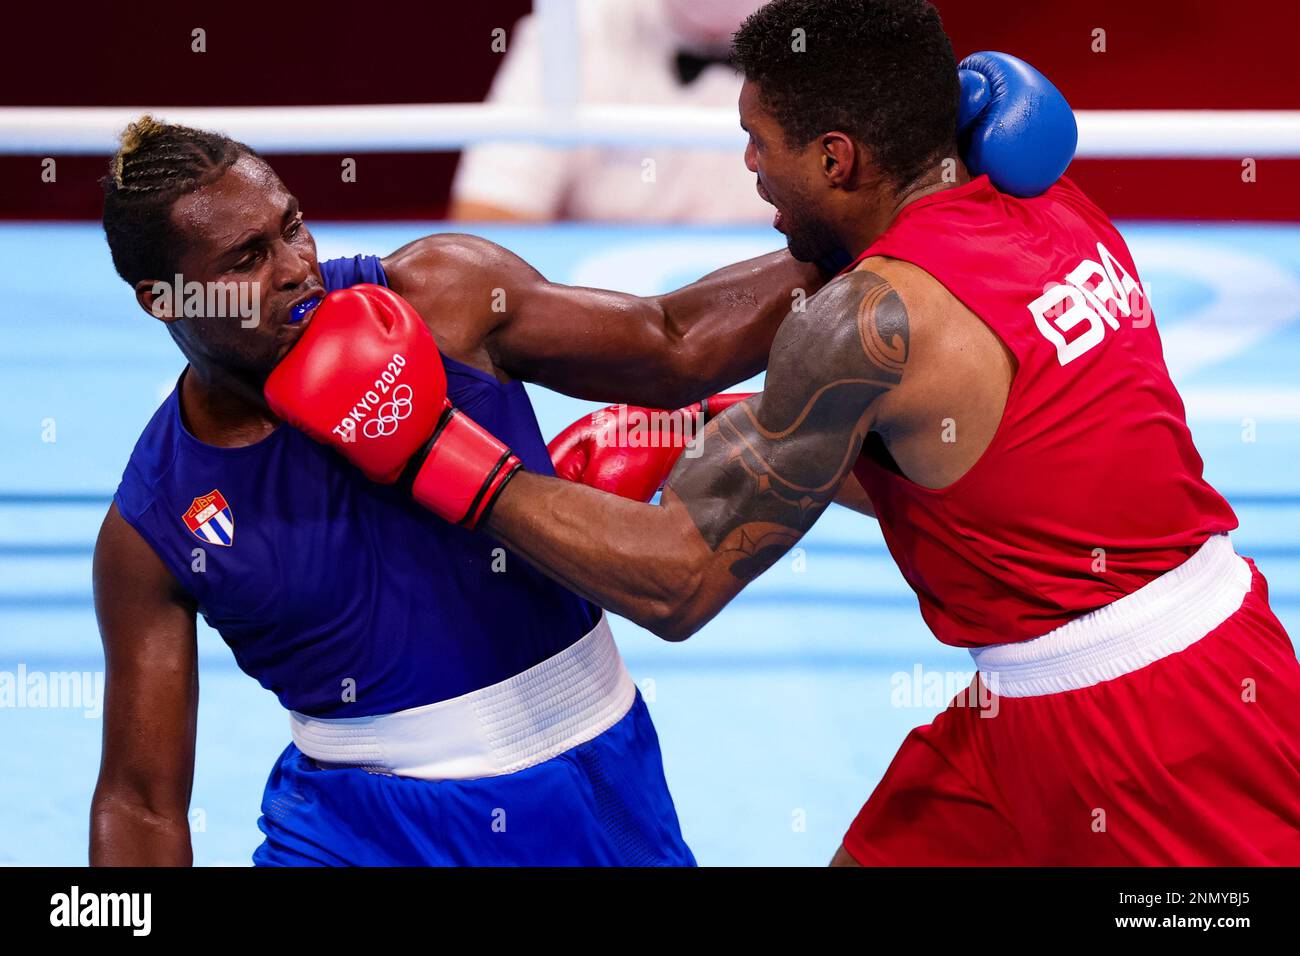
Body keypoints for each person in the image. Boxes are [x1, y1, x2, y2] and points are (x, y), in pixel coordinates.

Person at [271, 0, 1300, 865]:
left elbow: (677, 581)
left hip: (1163, 731)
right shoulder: (1039, 203)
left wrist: (430, 454)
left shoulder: (866, 319)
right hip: (1047, 697)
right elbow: (962, 466)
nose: (748, 167)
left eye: (758, 141)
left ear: (837, 157)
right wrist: (703, 424)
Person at [89, 54, 1061, 865]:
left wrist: (889, 203)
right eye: (245, 260)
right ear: (163, 299)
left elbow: (672, 340)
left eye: (292, 224)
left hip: (585, 779)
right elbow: (137, 801)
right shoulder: (152, 523)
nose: (297, 266)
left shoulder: (436, 296)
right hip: (349, 827)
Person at [450, 0, 772, 222]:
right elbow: (489, 224)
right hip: (602, 309)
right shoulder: (570, 26)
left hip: (788, 307)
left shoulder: (817, 34)